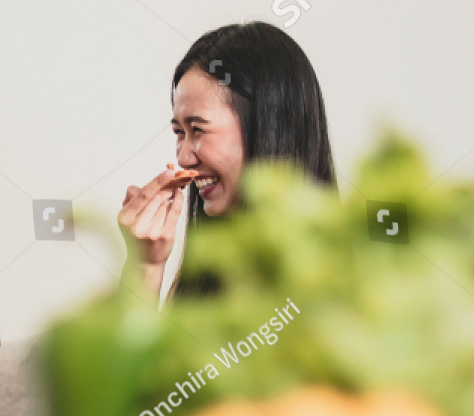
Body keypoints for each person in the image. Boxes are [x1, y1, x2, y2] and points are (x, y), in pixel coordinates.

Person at [120, 21, 335, 300]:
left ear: (265, 128)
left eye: (198, 130)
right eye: (179, 132)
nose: (183, 158)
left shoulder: (334, 285)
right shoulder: (207, 279)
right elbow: (131, 345)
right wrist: (145, 265)